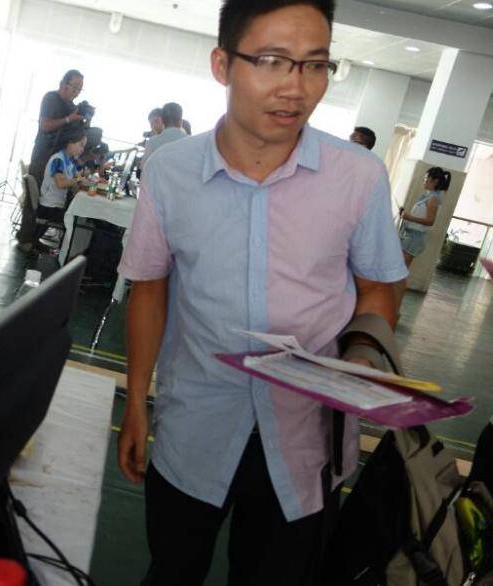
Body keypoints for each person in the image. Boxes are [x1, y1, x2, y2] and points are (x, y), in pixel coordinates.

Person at [116, 1, 408, 584]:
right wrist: (137, 402)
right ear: (222, 64)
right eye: (272, 61)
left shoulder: (359, 177)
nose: (296, 88)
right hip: (194, 424)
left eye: (316, 65)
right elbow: (149, 289)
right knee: (172, 569)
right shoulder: (171, 171)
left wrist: (358, 359)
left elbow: (379, 289)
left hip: (308, 441)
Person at [18, 70, 85, 251]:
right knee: (35, 198)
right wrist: (69, 119)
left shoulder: (72, 106)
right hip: (43, 154)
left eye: (80, 89)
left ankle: (34, 238)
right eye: (75, 87)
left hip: (59, 158)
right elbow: (45, 125)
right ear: (63, 84)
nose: (77, 92)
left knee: (50, 200)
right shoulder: (51, 98)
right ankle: (25, 240)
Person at [394, 166, 449, 308]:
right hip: (408, 235)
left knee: (401, 273)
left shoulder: (433, 199)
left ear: (435, 181)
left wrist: (409, 217)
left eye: (426, 178)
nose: (423, 181)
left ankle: (395, 304)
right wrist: (406, 216)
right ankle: (393, 302)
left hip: (414, 239)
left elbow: (430, 221)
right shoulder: (427, 196)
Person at [33, 128, 87, 248]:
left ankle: (64, 250)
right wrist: (79, 180)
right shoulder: (58, 159)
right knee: (77, 221)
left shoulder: (69, 162)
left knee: (78, 218)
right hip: (48, 207)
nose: (82, 149)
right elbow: (61, 184)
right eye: (81, 145)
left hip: (55, 205)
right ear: (70, 142)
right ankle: (65, 251)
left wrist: (91, 182)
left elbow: (79, 180)